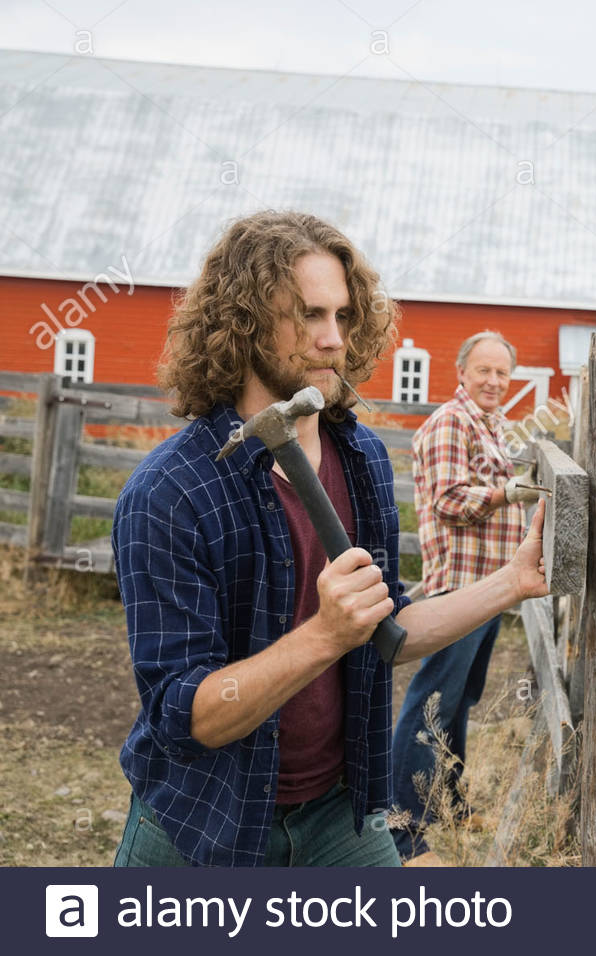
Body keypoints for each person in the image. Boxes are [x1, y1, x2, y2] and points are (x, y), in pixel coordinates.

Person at [110, 211, 546, 867]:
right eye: (309, 316)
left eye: (343, 317)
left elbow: (386, 629)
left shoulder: (361, 458)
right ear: (245, 321)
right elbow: (186, 718)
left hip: (340, 815)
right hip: (205, 821)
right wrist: (323, 635)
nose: (333, 339)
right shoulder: (170, 493)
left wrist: (514, 580)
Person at [391, 331, 540, 857]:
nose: (494, 381)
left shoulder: (490, 426)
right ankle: (402, 825)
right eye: (484, 370)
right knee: (432, 697)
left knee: (458, 699)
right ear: (461, 372)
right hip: (461, 582)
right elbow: (449, 499)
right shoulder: (450, 422)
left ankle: (447, 801)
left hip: (489, 582)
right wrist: (507, 493)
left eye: (503, 373)